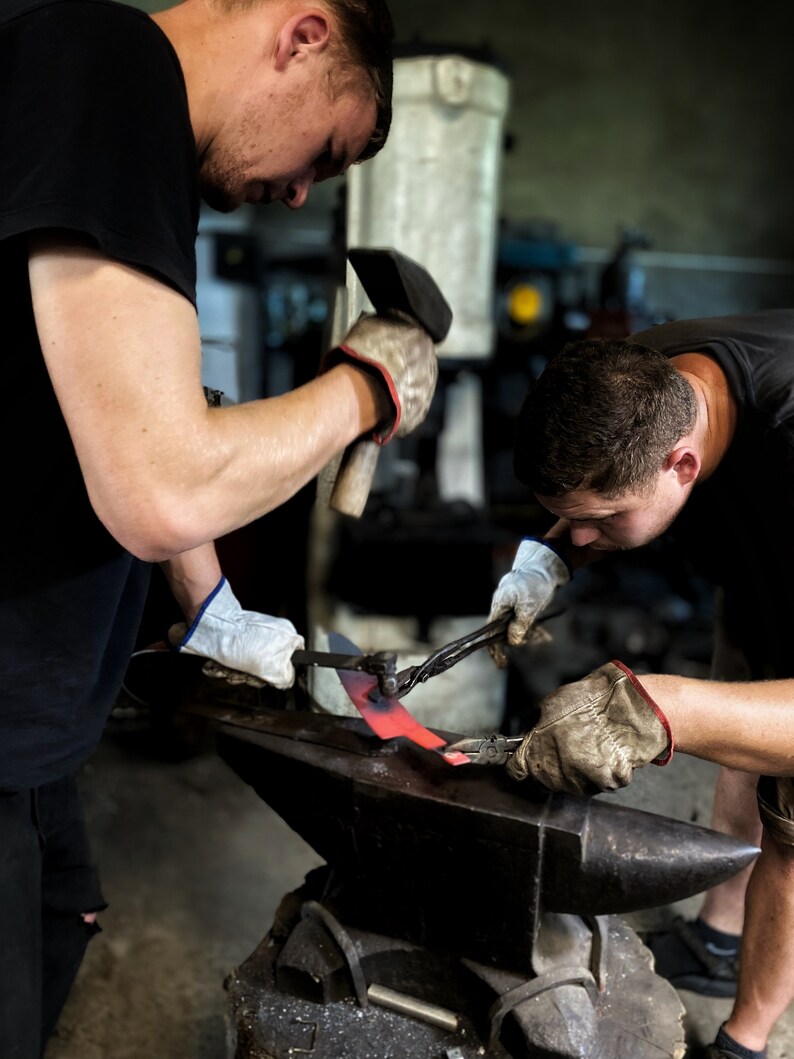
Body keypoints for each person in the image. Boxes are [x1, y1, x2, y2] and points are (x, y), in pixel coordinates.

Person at [0, 0, 442, 1056]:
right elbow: (159, 483)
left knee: (66, 911)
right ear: (301, 35)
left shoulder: (126, 120)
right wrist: (368, 388)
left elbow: (124, 399)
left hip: (35, 734)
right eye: (322, 154)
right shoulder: (102, 63)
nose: (296, 191)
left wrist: (211, 610)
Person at [488, 310, 794, 1059]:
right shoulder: (641, 378)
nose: (580, 535)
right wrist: (546, 561)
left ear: (682, 466)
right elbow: (596, 501)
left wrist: (659, 706)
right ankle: (721, 941)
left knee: (792, 823)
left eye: (600, 522)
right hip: (762, 563)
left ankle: (746, 1041)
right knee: (739, 741)